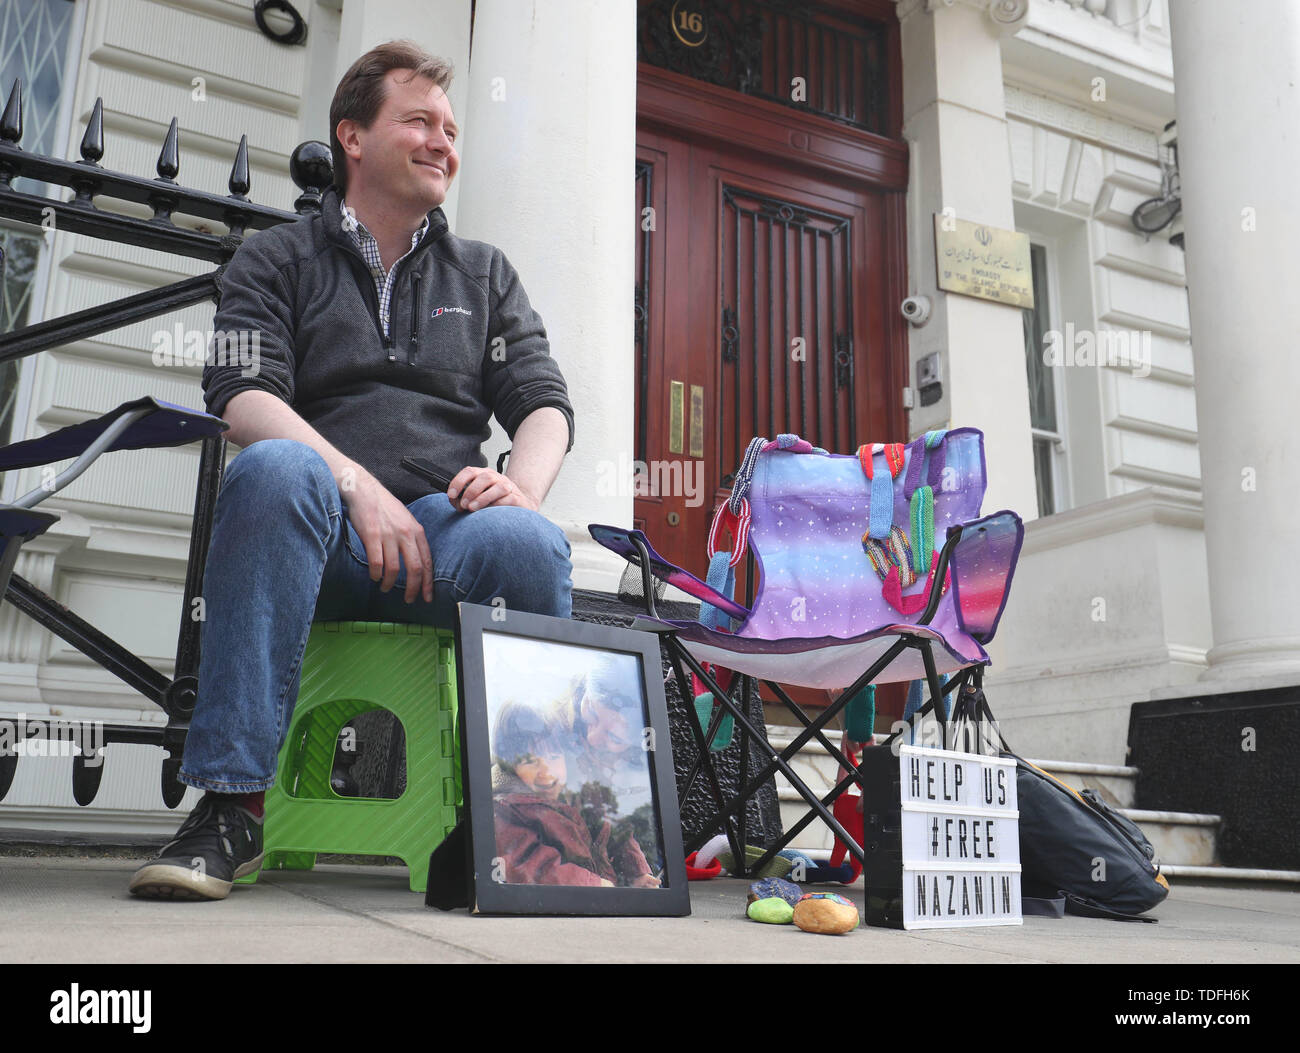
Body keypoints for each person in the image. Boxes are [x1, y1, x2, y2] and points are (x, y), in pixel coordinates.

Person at [129, 40, 574, 901]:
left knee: (526, 541)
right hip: (316, 539)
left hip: (444, 537)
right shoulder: (271, 259)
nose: (444, 140)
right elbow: (240, 392)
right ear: (353, 137)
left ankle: (513, 829)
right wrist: (354, 484)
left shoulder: (484, 273)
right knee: (272, 471)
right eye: (420, 121)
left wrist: (521, 485)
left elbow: (544, 403)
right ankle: (230, 808)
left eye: (451, 128)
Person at [491, 701, 658, 889]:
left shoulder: (581, 792)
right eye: (530, 762)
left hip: (603, 900)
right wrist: (592, 885)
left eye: (554, 757)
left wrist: (636, 872)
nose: (546, 771)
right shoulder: (507, 809)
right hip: (556, 908)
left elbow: (618, 832)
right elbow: (527, 864)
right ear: (509, 767)